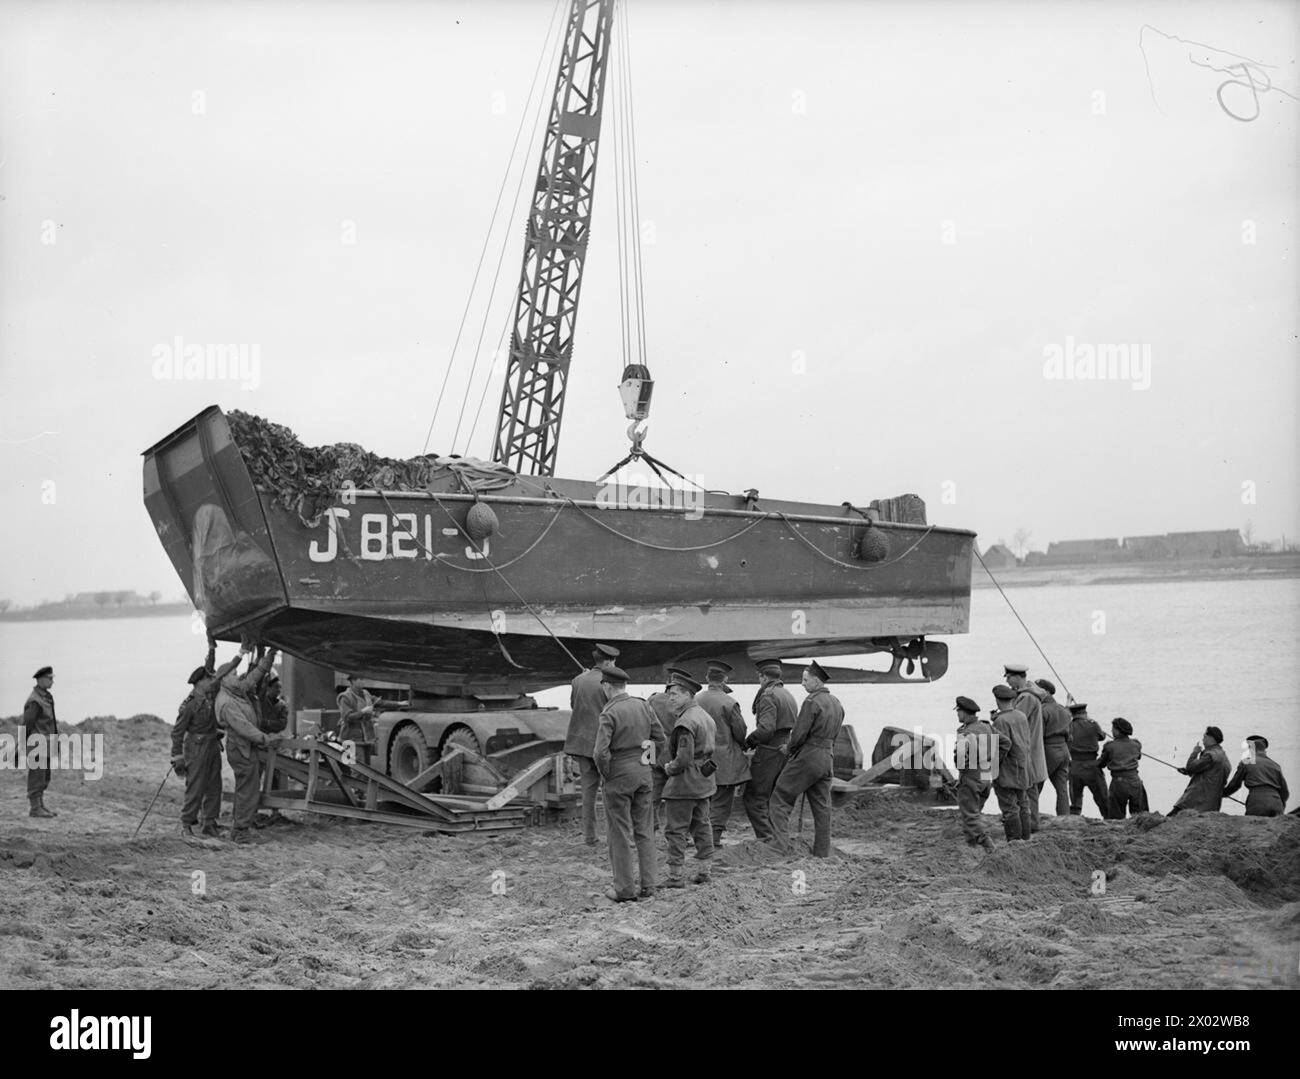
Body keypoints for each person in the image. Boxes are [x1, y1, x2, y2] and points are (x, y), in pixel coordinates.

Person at [593, 666, 667, 902]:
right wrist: (649, 762)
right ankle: (649, 886)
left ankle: (624, 889)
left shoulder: (609, 713)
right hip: (643, 774)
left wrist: (607, 775)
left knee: (619, 834)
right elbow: (660, 738)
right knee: (645, 830)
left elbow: (600, 753)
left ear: (606, 686)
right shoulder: (643, 705)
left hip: (619, 777)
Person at [767, 661, 845, 857]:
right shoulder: (836, 703)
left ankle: (778, 847)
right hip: (827, 759)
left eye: (805, 680)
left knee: (780, 797)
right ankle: (822, 852)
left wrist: (788, 748)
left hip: (808, 757)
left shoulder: (811, 702)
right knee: (822, 807)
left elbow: (800, 734)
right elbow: (835, 735)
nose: (802, 684)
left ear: (817, 681)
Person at [171, 639, 241, 837]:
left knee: (214, 785)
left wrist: (212, 649)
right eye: (208, 679)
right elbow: (177, 732)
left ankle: (209, 823)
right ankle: (186, 824)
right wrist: (177, 757)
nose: (212, 681)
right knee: (196, 786)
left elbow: (213, 671)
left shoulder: (209, 694)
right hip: (196, 747)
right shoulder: (189, 705)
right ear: (200, 682)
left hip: (211, 744)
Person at [216, 648, 282, 843]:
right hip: (242, 748)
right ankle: (241, 831)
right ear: (224, 679)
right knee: (248, 789)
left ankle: (242, 826)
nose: (238, 677)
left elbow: (253, 677)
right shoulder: (227, 702)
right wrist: (266, 739)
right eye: (234, 674)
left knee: (246, 788)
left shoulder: (235, 691)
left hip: (244, 747)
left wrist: (269, 657)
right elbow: (244, 728)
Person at [660, 669, 717, 887]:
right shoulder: (705, 716)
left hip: (685, 784)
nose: (670, 698)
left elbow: (683, 759)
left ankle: (675, 876)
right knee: (702, 825)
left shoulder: (685, 722)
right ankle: (705, 871)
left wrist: (669, 768)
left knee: (675, 829)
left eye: (674, 694)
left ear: (687, 694)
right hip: (704, 782)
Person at [564, 643, 621, 846]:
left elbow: (574, 706)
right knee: (612, 791)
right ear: (607, 661)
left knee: (588, 792)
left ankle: (590, 837)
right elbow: (617, 711)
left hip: (582, 745)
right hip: (604, 745)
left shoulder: (578, 680)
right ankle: (615, 836)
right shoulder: (609, 682)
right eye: (614, 662)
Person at [695, 659, 750, 847]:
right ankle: (714, 840)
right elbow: (740, 732)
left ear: (706, 678)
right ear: (725, 679)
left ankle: (699, 837)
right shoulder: (729, 702)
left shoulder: (695, 700)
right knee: (721, 802)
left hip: (700, 759)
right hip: (724, 762)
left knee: (702, 800)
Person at [742, 660, 798, 841]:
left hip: (769, 751)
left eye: (759, 677)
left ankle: (767, 839)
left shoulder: (768, 695)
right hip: (785, 749)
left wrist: (749, 741)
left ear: (763, 677)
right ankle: (778, 837)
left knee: (754, 797)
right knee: (774, 798)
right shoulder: (787, 694)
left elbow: (766, 729)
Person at [954, 695, 1005, 850]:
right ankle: (971, 845)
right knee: (973, 813)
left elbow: (960, 763)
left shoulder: (966, 732)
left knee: (970, 816)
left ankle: (988, 846)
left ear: (965, 713)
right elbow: (1006, 743)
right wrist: (996, 761)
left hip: (971, 778)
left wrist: (963, 773)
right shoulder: (986, 726)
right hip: (986, 776)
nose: (957, 714)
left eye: (958, 711)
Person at [1004, 664, 1046, 832]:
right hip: (1031, 750)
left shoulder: (1026, 698)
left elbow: (1015, 720)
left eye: (1008, 677)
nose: (1007, 680)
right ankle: (1030, 822)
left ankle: (1032, 824)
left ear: (1017, 677)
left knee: (1029, 789)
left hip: (1029, 751)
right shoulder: (1026, 695)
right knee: (1029, 789)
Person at [990, 684, 1032, 841]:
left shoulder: (1000, 721)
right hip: (1022, 766)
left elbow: (1000, 747)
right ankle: (1026, 839)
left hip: (1007, 769)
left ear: (997, 700)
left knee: (1009, 808)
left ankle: (1014, 842)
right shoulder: (1021, 716)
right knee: (1023, 804)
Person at [1168, 727, 1232, 816]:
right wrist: (1189, 772)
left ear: (1211, 738)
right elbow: (1210, 776)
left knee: (1170, 819)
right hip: (1212, 805)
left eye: (1204, 737)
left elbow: (1190, 767)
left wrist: (1195, 752)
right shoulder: (1224, 758)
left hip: (1194, 802)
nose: (1203, 739)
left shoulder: (1210, 755)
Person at [23, 666, 59, 818]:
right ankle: (35, 808)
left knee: (44, 776)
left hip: (47, 743)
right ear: (41, 679)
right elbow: (27, 724)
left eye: (52, 678)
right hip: (37, 743)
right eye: (50, 678)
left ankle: (40, 805)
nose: (52, 681)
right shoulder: (35, 700)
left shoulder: (46, 697)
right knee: (37, 776)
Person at [1223, 736, 1290, 817]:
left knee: (1253, 828)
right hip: (1276, 803)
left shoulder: (1247, 762)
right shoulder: (1276, 765)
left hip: (1257, 802)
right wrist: (1280, 805)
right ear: (1264, 750)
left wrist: (1222, 793)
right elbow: (1285, 792)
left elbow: (1235, 785)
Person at [1036, 678, 1072, 817]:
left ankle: (1029, 816)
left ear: (1045, 692)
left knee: (1035, 784)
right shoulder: (1063, 710)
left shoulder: (1042, 710)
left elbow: (1038, 734)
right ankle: (1064, 818)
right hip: (1063, 750)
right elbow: (1070, 735)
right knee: (1062, 788)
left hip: (1048, 749)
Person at [1066, 702, 1108, 816]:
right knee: (1103, 798)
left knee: (1075, 800)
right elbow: (1102, 736)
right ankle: (1108, 818)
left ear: (1072, 714)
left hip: (1075, 766)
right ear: (1084, 713)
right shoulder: (1093, 724)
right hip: (1092, 766)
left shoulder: (1069, 726)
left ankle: (1075, 818)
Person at [646, 676, 676, 835]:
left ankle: (651, 825)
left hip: (653, 748)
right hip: (674, 750)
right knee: (676, 794)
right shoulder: (680, 702)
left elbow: (645, 726)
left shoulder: (652, 699)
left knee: (652, 791)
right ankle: (676, 831)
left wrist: (646, 757)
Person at [1098, 717, 1143, 819]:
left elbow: (1101, 763)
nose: (1111, 730)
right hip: (1135, 781)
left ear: (1118, 731)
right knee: (1139, 816)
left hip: (1119, 784)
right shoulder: (1136, 744)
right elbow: (1139, 756)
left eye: (1113, 728)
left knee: (1116, 817)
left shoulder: (1109, 746)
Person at [336, 674, 380, 747]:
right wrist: (363, 711)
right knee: (353, 758)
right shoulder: (345, 697)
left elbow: (380, 702)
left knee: (365, 758)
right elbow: (347, 717)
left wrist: (399, 703)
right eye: (361, 679)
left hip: (366, 738)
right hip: (350, 738)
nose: (364, 682)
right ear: (353, 681)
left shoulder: (366, 694)